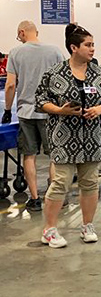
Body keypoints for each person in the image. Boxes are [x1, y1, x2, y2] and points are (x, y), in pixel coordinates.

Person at [35, 23, 101, 248]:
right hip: (64, 138)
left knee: (90, 182)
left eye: (93, 45)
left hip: (93, 137)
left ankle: (87, 225)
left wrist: (99, 109)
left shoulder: (99, 73)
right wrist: (60, 110)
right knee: (61, 182)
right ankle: (49, 230)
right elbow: (41, 101)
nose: (92, 49)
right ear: (74, 47)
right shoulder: (54, 74)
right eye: (88, 45)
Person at [3, 20, 63, 212]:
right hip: (50, 111)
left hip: (26, 112)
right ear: (35, 31)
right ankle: (54, 198)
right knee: (54, 157)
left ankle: (35, 199)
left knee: (29, 156)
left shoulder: (16, 53)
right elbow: (62, 81)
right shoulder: (55, 51)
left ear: (22, 32)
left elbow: (11, 85)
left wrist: (7, 110)